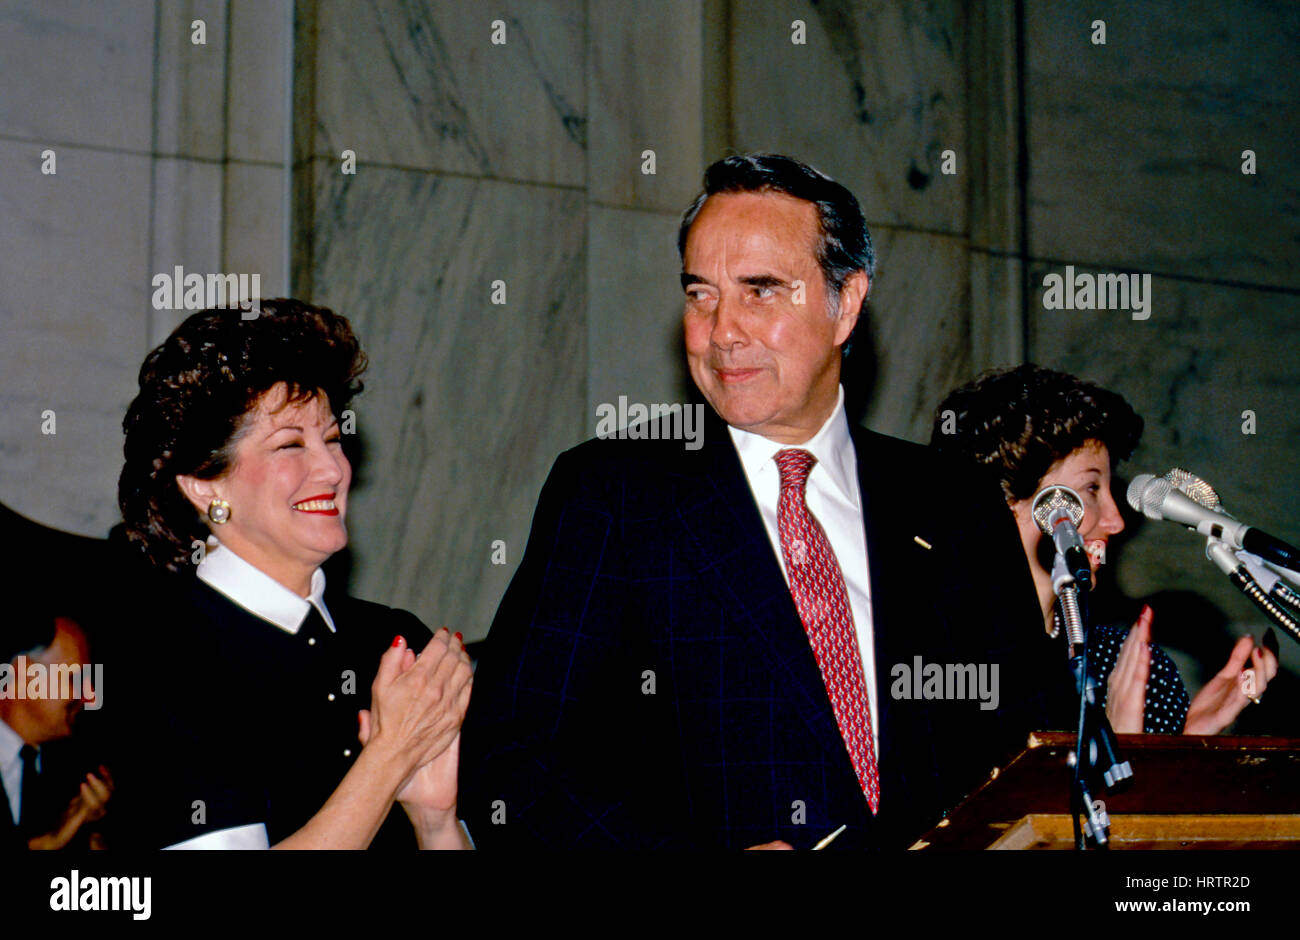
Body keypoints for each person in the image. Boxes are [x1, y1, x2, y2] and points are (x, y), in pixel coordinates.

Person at [460, 153, 1053, 850]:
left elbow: (1021, 742)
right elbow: (513, 758)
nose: (722, 331)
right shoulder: (616, 495)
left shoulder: (953, 503)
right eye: (700, 294)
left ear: (846, 303)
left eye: (760, 291)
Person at [108, 299, 472, 849]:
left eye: (331, 439)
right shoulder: (166, 658)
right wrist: (391, 757)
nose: (332, 469)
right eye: (291, 445)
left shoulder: (392, 641)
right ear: (206, 486)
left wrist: (436, 821)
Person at [930, 363, 1279, 734]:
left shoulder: (1128, 667)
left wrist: (1187, 743)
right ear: (1007, 502)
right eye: (1092, 489)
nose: (1116, 521)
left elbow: (1156, 793)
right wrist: (1117, 741)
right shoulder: (944, 666)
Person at [1, 605, 111, 850]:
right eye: (76, 679)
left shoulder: (79, 775)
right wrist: (46, 843)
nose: (90, 696)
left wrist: (93, 836)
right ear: (24, 675)